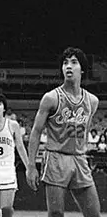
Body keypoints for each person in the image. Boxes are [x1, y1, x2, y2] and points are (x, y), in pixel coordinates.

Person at [26, 47, 101, 217]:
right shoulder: (51, 98)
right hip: (56, 158)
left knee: (94, 214)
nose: (68, 66)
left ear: (82, 69)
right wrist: (31, 166)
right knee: (56, 214)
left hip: (79, 159)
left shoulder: (92, 101)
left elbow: (84, 132)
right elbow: (36, 132)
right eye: (65, 63)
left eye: (74, 62)